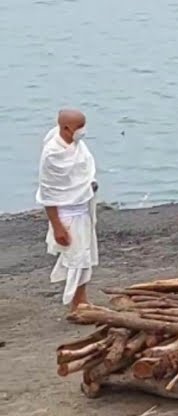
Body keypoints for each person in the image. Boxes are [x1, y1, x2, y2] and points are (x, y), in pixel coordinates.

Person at [37, 108, 98, 310]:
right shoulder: (52, 154)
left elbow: (84, 170)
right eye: (79, 127)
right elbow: (48, 193)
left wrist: (90, 184)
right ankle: (76, 303)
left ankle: (82, 298)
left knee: (86, 255)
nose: (83, 131)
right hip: (67, 213)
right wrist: (57, 226)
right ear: (65, 127)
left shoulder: (77, 144)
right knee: (75, 257)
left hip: (84, 205)